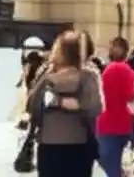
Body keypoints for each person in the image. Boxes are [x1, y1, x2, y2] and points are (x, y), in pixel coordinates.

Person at [26, 30, 102, 177]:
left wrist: (55, 102)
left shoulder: (47, 76)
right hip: (79, 142)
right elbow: (96, 107)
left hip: (49, 142)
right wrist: (78, 105)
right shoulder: (87, 77)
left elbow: (32, 106)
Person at [97, 37, 134, 177]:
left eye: (112, 46)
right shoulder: (129, 71)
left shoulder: (112, 68)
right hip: (123, 123)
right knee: (113, 162)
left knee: (109, 163)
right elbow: (132, 96)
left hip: (108, 123)